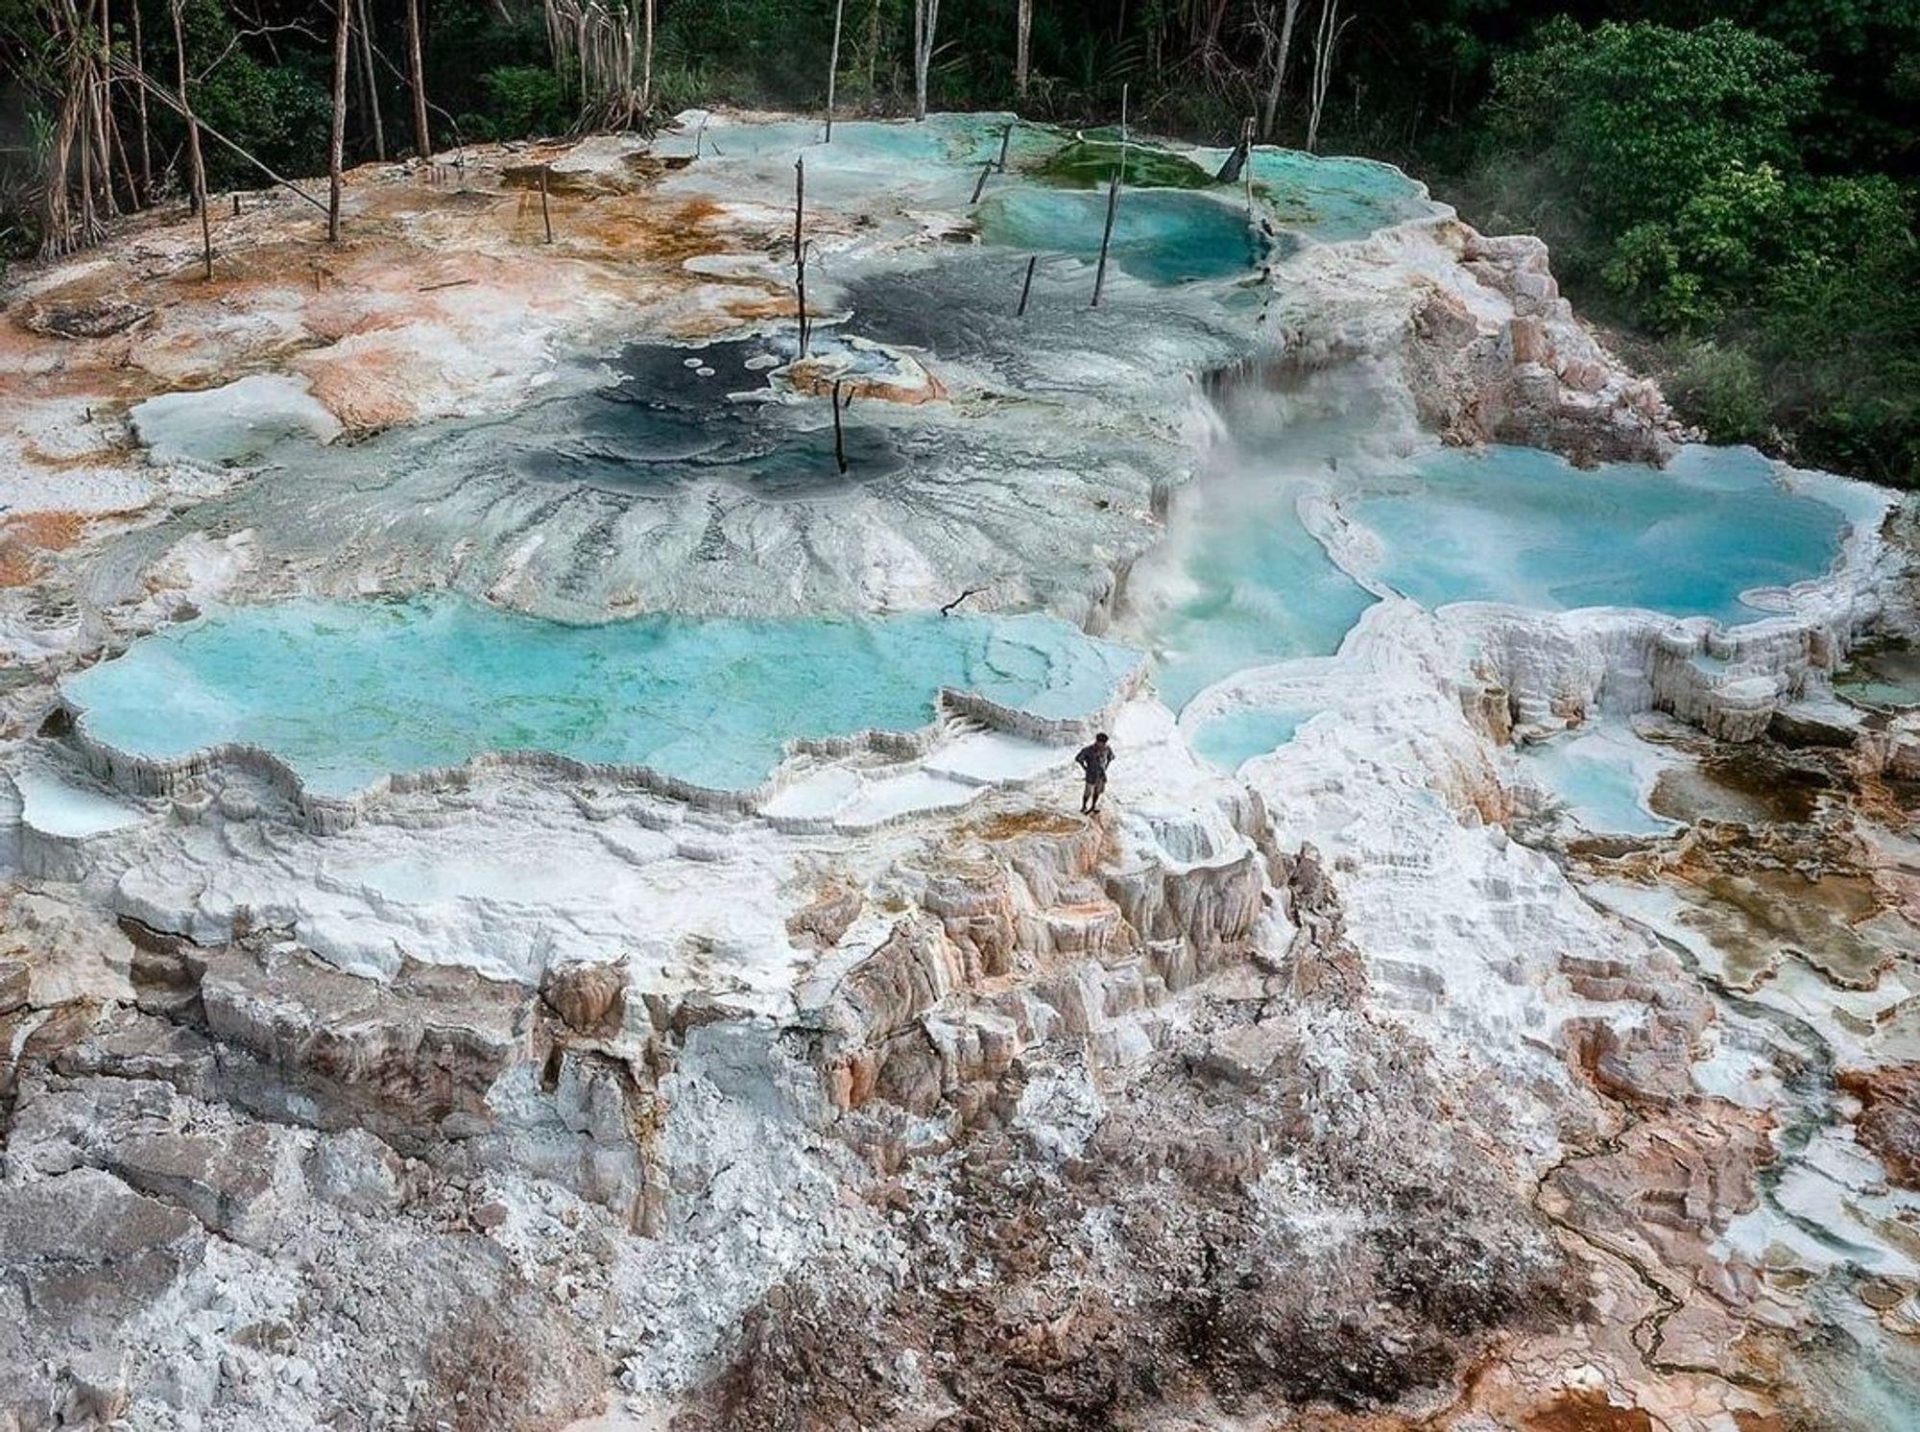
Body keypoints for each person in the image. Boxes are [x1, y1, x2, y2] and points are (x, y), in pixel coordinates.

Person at [1075, 732, 1114, 815]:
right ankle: (1084, 806)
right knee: (1088, 792)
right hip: (1091, 774)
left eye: (1104, 743)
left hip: (1101, 774)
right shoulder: (1088, 750)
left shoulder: (1107, 749)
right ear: (1097, 741)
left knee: (1097, 791)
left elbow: (1111, 757)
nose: (1102, 745)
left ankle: (1093, 806)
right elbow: (1078, 758)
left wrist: (1106, 766)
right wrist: (1085, 768)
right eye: (1101, 743)